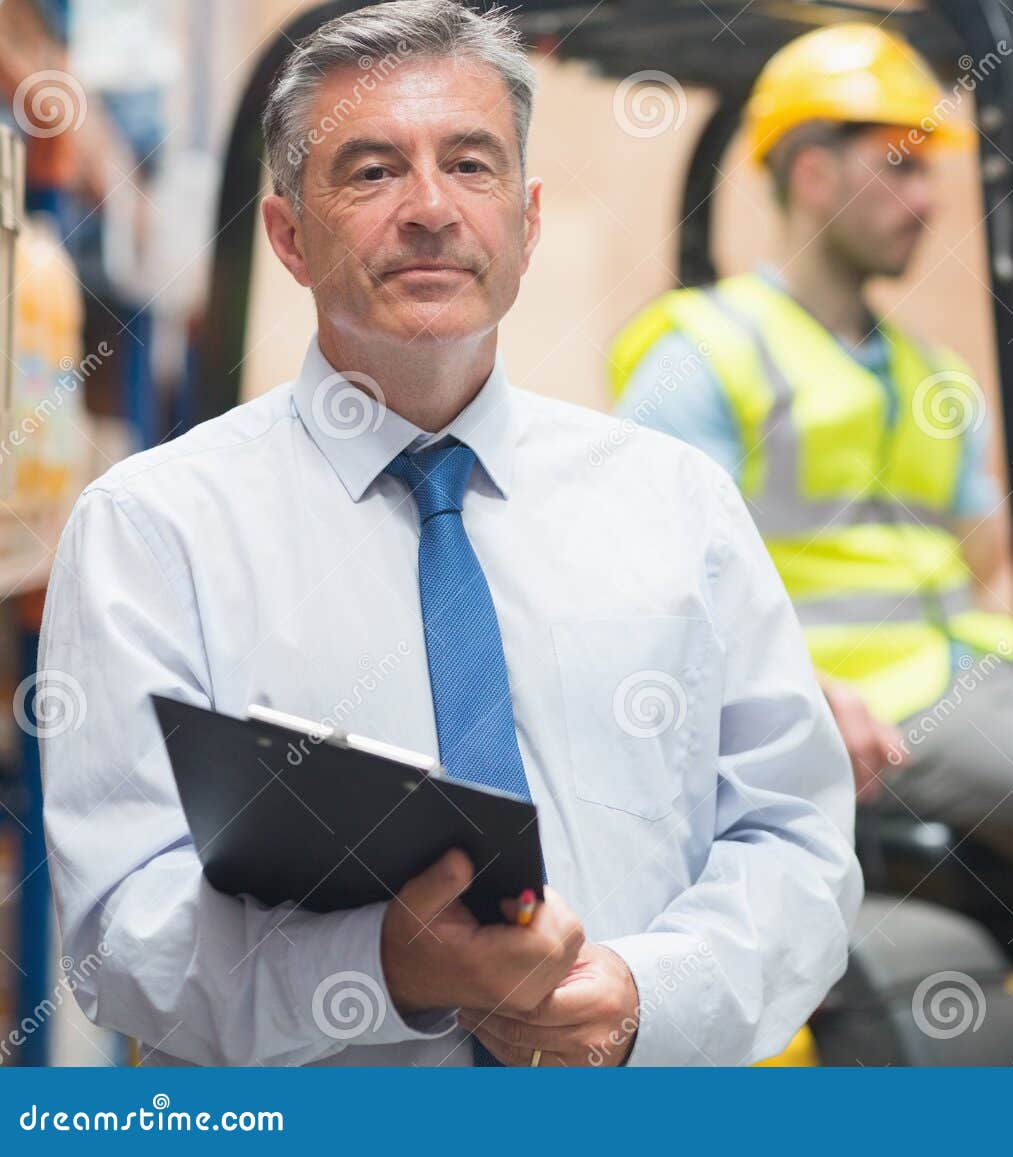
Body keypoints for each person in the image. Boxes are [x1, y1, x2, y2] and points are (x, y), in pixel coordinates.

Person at [38, 0, 860, 1068]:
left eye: (469, 165)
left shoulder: (676, 507)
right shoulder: (154, 531)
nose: (430, 208)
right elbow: (115, 930)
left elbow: (795, 841)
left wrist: (646, 996)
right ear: (289, 235)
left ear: (525, 220)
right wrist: (377, 966)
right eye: (372, 171)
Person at [610, 23, 1013, 1040]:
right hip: (854, 702)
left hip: (965, 667)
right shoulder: (703, 354)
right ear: (806, 171)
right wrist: (791, 692)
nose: (927, 199)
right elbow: (647, 585)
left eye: (930, 171)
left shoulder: (933, 375)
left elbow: (978, 562)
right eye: (898, 168)